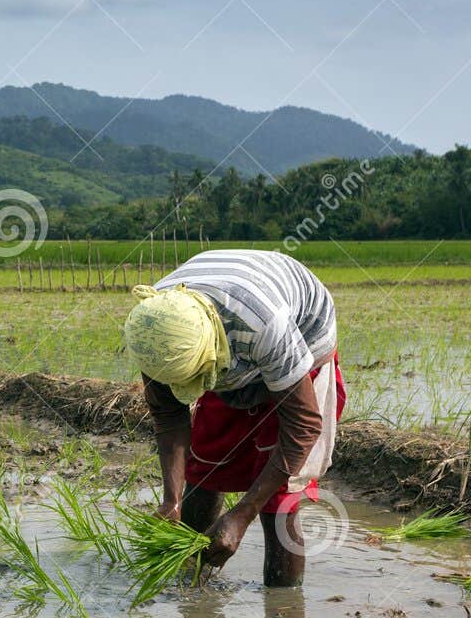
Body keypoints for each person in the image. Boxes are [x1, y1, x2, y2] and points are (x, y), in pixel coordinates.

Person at [124, 249, 344, 587]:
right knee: (206, 465)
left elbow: (304, 425)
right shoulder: (156, 331)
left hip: (302, 339)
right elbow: (169, 417)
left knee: (277, 496)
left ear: (208, 354)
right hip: (230, 343)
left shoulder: (265, 326)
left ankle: (281, 613)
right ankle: (192, 589)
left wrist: (242, 514)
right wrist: (171, 500)